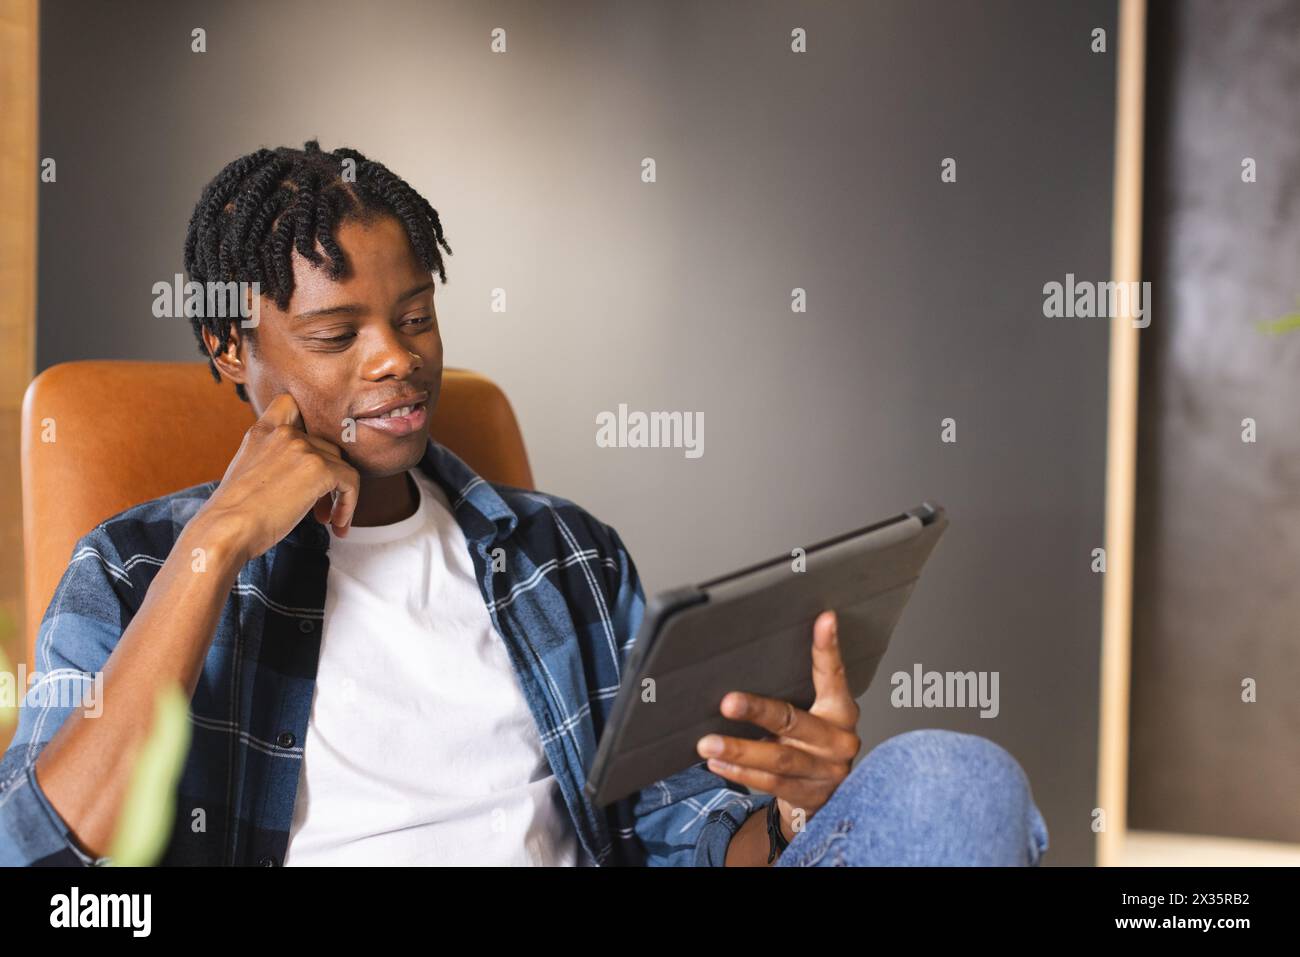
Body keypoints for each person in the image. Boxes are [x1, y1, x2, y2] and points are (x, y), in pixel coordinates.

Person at [0, 141, 1048, 867]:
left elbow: (662, 832)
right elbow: (46, 855)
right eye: (337, 336)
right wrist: (217, 541)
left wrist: (783, 817)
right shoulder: (132, 568)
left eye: (415, 317)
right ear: (229, 348)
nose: (397, 361)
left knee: (956, 782)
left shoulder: (563, 553)